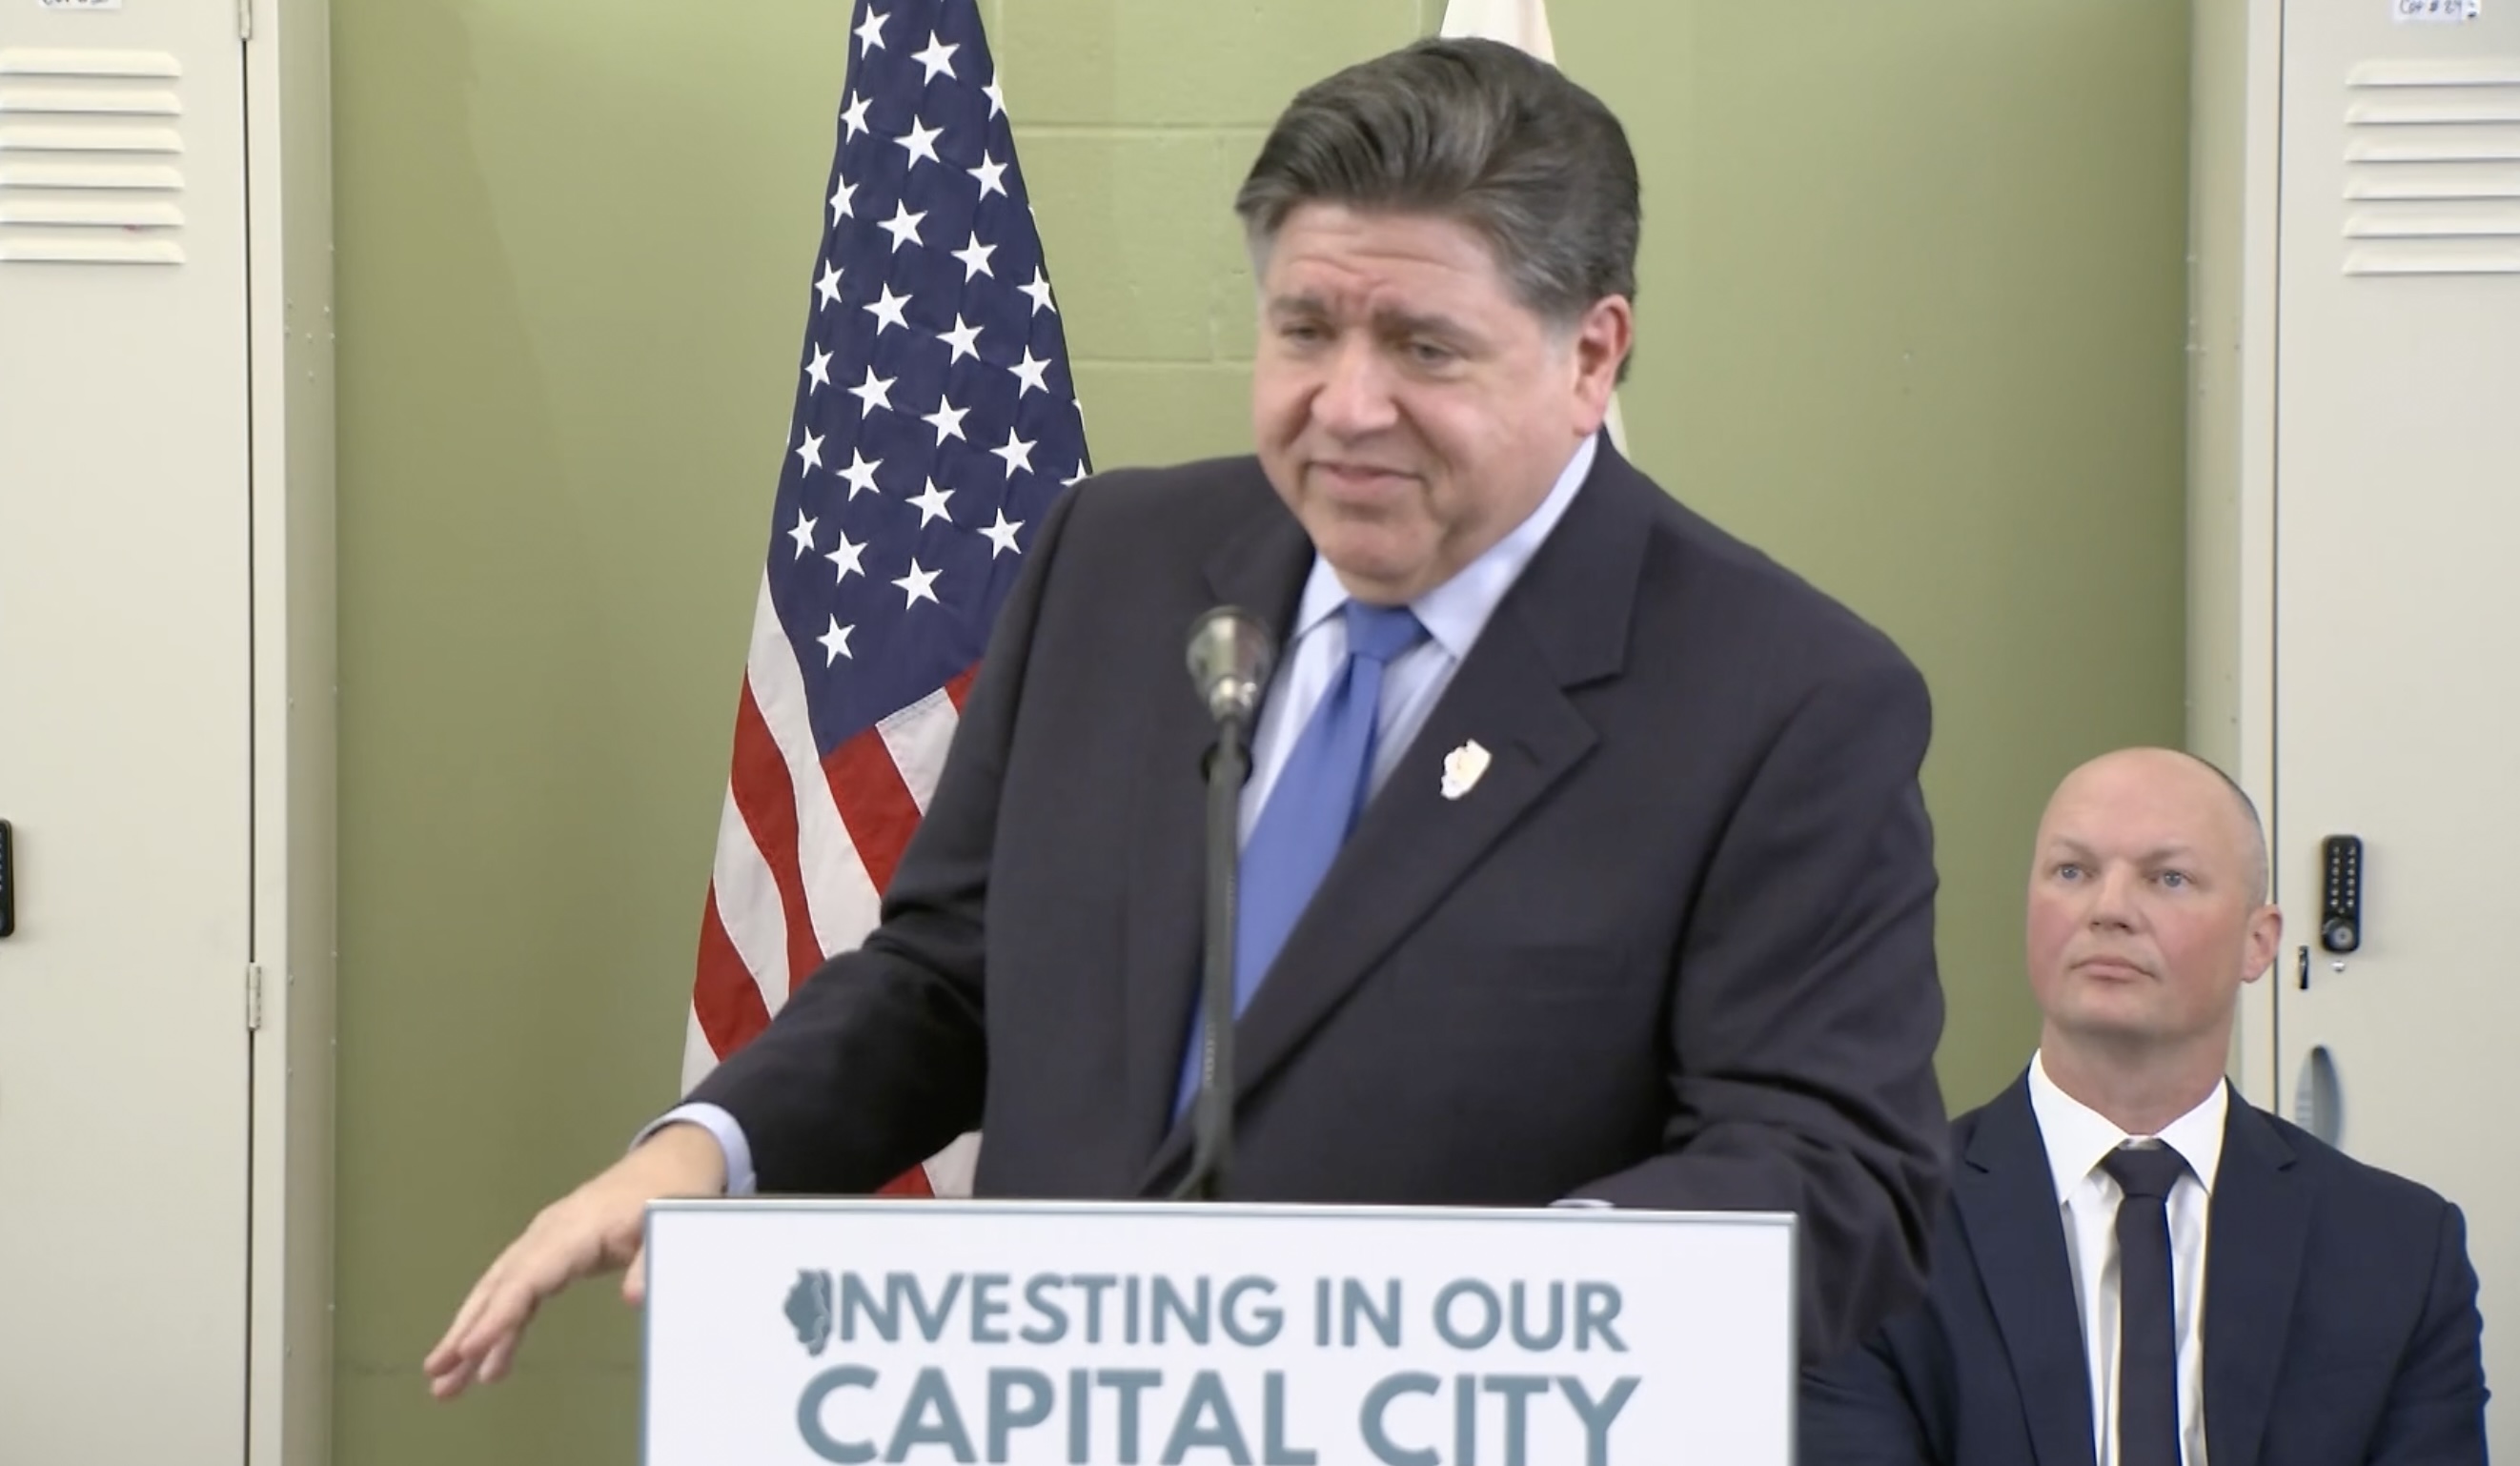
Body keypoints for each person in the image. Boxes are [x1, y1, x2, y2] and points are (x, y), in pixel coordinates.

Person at [427, 36, 1950, 1398]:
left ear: (1592, 354)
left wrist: (1499, 1318)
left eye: (1424, 347)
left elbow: (1837, 1175)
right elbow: (951, 976)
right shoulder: (1118, 561)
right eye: (1305, 330)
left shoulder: (1787, 699)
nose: (1346, 405)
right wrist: (706, 1149)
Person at [1800, 747, 2490, 1465]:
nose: (2109, 910)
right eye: (2073, 871)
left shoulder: (2401, 1251)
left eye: (2168, 878)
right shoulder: (1867, 1235)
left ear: (2258, 942)